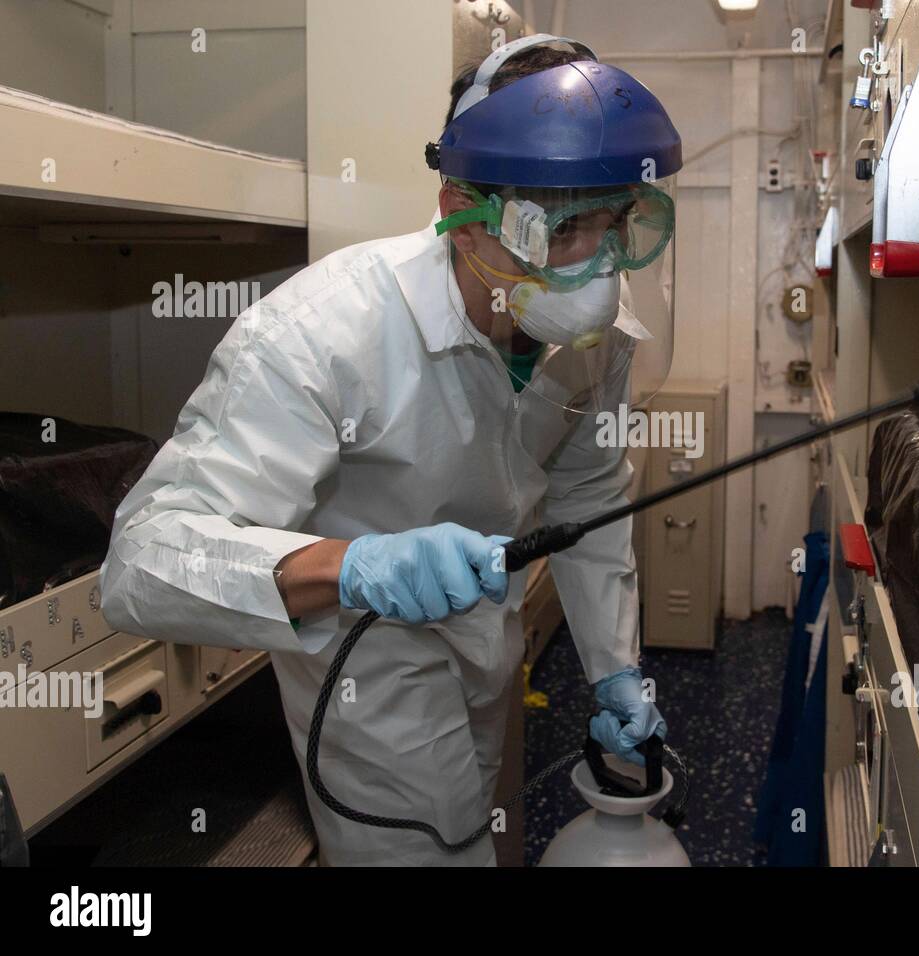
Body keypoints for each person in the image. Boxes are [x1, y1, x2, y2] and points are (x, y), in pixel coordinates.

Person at [100, 35, 682, 866]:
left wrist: (614, 668)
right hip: (363, 657)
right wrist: (353, 565)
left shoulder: (595, 336)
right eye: (557, 228)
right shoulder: (322, 332)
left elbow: (587, 498)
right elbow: (142, 560)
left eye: (617, 223)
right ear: (458, 209)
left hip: (488, 642)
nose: (598, 268)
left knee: (472, 826)